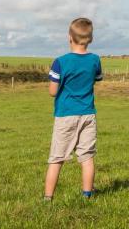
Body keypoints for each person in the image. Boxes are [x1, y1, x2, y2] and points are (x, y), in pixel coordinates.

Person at [44, 17, 103, 201]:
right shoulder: (95, 60)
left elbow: (53, 92)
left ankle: (48, 198)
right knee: (87, 158)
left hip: (65, 115)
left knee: (57, 159)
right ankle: (87, 195)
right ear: (90, 38)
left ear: (70, 37)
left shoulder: (60, 62)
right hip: (88, 114)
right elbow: (97, 79)